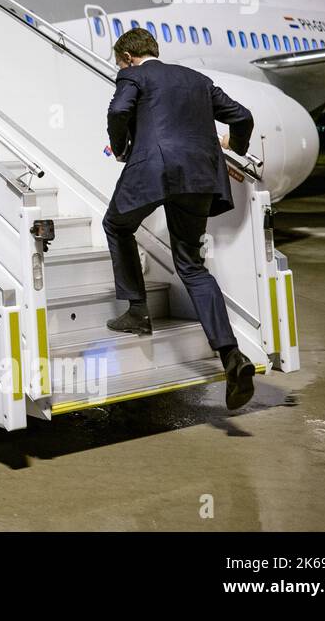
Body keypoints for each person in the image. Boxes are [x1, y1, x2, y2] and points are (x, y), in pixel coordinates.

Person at [101, 27, 258, 409]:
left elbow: (119, 110)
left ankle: (138, 311)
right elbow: (243, 117)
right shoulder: (197, 79)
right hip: (201, 176)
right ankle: (231, 356)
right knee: (191, 265)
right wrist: (235, 148)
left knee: (116, 224)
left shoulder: (133, 75)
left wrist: (121, 148)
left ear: (127, 57)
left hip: (152, 170)